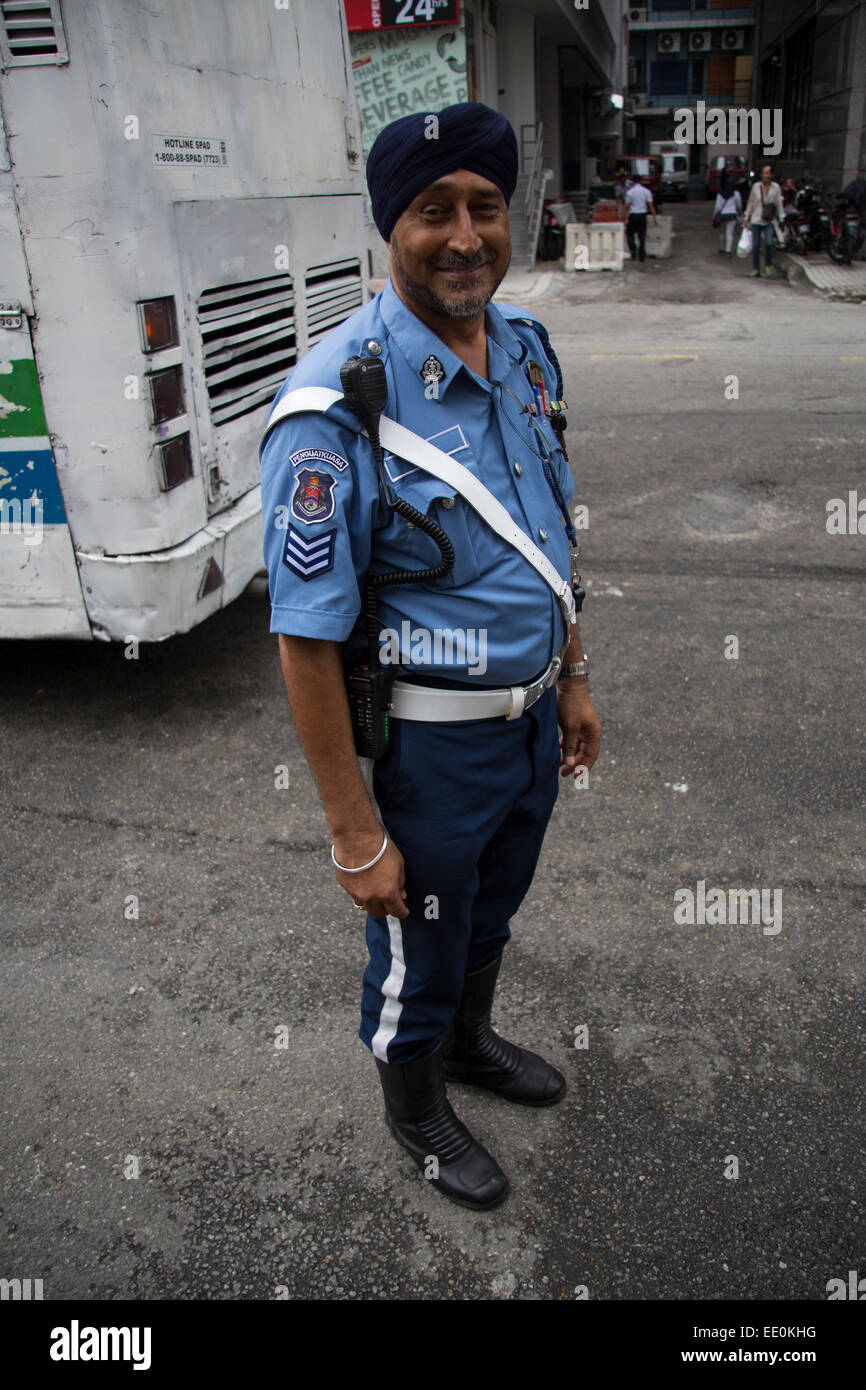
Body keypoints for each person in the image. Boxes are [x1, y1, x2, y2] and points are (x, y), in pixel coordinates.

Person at [259, 102, 601, 1212]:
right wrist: (355, 834)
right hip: (432, 749)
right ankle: (415, 1111)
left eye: (483, 208)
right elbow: (305, 639)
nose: (464, 236)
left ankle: (469, 1047)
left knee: (491, 909)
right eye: (431, 211)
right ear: (387, 227)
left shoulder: (525, 348)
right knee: (418, 943)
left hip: (531, 720)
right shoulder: (334, 405)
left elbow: (546, 522)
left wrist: (575, 675)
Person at [743, 163, 784, 277]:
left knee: (769, 243)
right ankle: (756, 269)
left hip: (768, 220)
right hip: (756, 220)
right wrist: (746, 217)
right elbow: (750, 202)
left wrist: (781, 218)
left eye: (767, 173)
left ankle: (767, 266)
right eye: (763, 173)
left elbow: (779, 203)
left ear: (771, 175)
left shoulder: (776, 188)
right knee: (756, 245)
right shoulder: (756, 186)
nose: (764, 175)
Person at [624, 174, 658, 265]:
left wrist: (624, 218)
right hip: (642, 215)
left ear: (633, 181)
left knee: (629, 234)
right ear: (641, 181)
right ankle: (642, 255)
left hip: (633, 215)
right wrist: (654, 217)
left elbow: (627, 206)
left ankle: (633, 250)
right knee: (642, 235)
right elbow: (651, 205)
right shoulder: (646, 191)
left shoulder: (630, 192)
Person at [714, 171, 742, 255]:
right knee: (729, 234)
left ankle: (721, 248)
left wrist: (714, 216)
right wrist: (739, 212)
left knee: (722, 233)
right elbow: (739, 205)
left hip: (722, 215)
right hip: (732, 215)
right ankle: (728, 251)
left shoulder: (720, 194)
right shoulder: (736, 194)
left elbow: (717, 207)